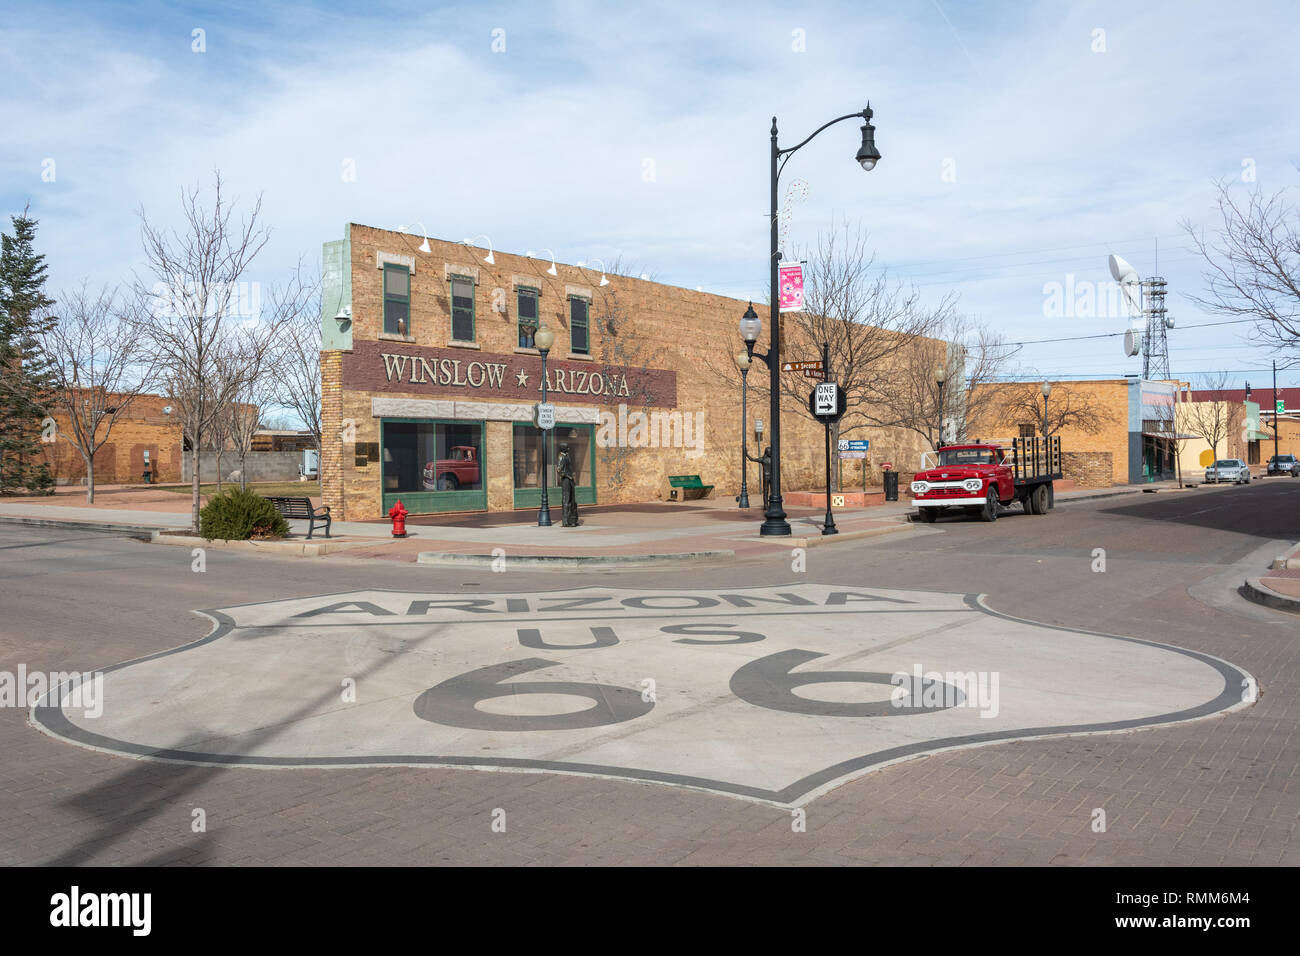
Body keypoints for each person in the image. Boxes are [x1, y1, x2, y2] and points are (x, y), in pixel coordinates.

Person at [557, 443, 579, 527]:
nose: (568, 448)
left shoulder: (566, 456)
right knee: (566, 499)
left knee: (572, 499)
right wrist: (567, 476)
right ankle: (565, 521)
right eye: (567, 447)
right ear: (563, 448)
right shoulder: (561, 457)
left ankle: (572, 519)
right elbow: (559, 470)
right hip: (566, 480)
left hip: (570, 479)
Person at [746, 445, 773, 510]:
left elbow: (752, 459)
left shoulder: (766, 459)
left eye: (770, 451)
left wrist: (746, 454)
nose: (770, 453)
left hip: (769, 477)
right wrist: (747, 454)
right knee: (767, 491)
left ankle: (769, 504)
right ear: (766, 452)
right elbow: (752, 459)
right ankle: (767, 505)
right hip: (768, 477)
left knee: (770, 491)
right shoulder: (767, 459)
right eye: (769, 451)